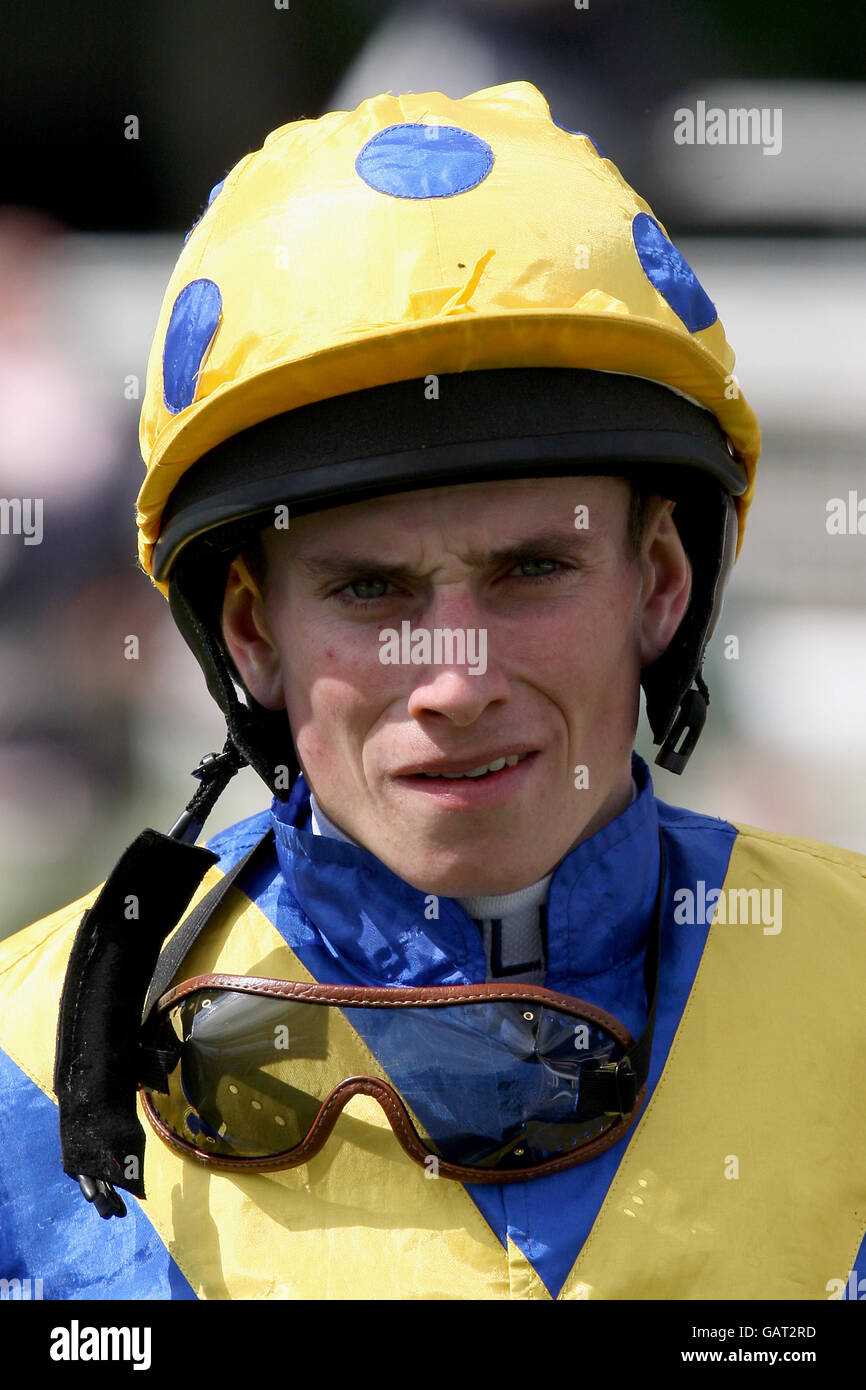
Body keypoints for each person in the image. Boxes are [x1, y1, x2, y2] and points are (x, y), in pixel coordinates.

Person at [1, 81, 864, 1304]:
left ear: (658, 583)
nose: (451, 681)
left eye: (531, 569)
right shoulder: (24, 1070)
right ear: (251, 631)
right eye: (369, 589)